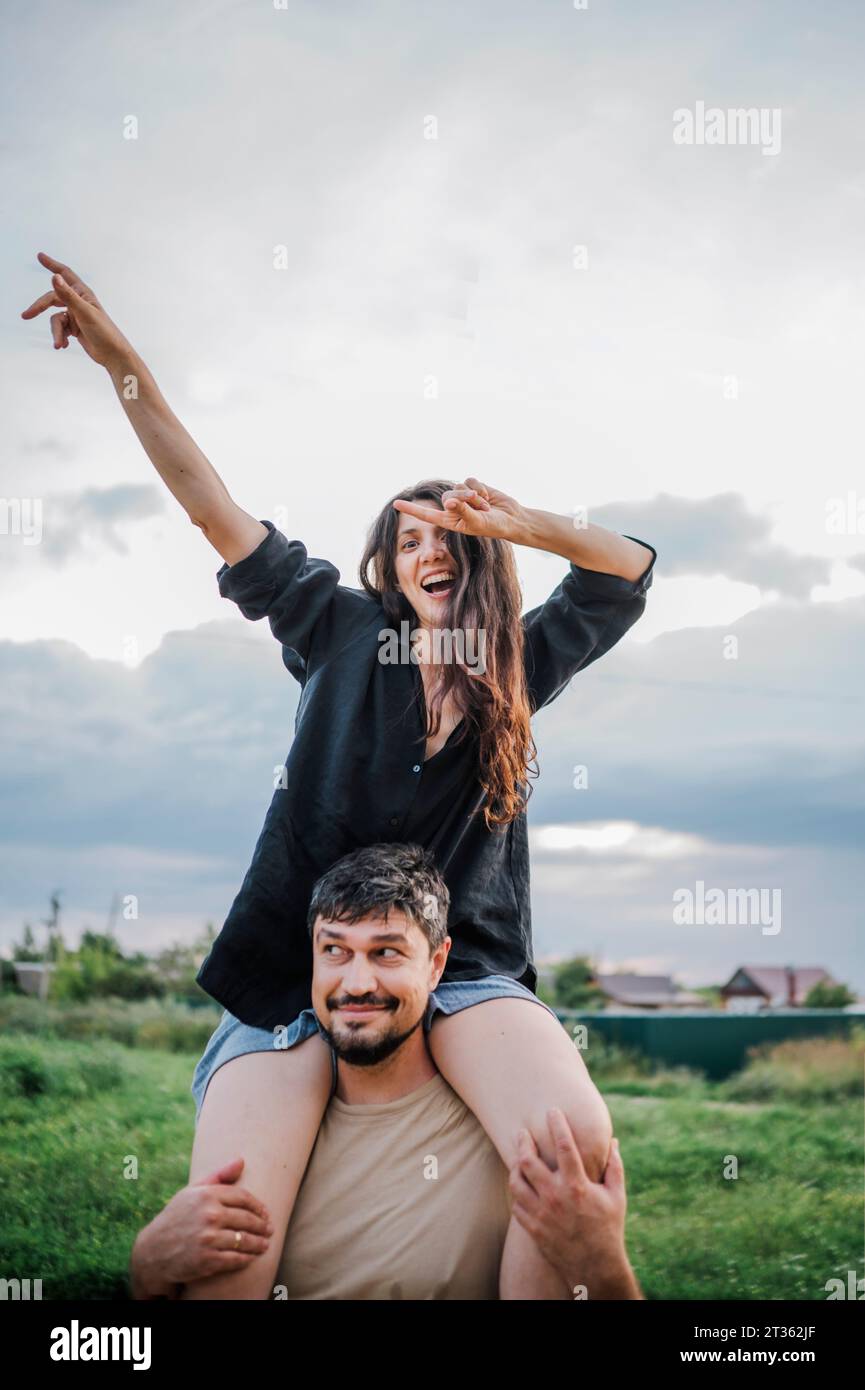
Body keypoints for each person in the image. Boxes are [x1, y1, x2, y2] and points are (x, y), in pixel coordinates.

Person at [21, 252, 657, 1298]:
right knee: (233, 1225)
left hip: (463, 969)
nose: (430, 548)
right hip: (290, 966)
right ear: (390, 566)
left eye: (450, 532)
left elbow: (624, 568)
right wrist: (120, 360)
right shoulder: (337, 624)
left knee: (570, 1153)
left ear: (480, 552)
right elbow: (207, 502)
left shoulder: (518, 666)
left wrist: (520, 520)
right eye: (410, 538)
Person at [130, 843, 643, 1300]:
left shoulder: (511, 1133)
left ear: (438, 964)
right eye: (335, 950)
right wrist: (149, 1269)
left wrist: (601, 1264)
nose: (356, 983)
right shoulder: (262, 1131)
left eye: (386, 953)